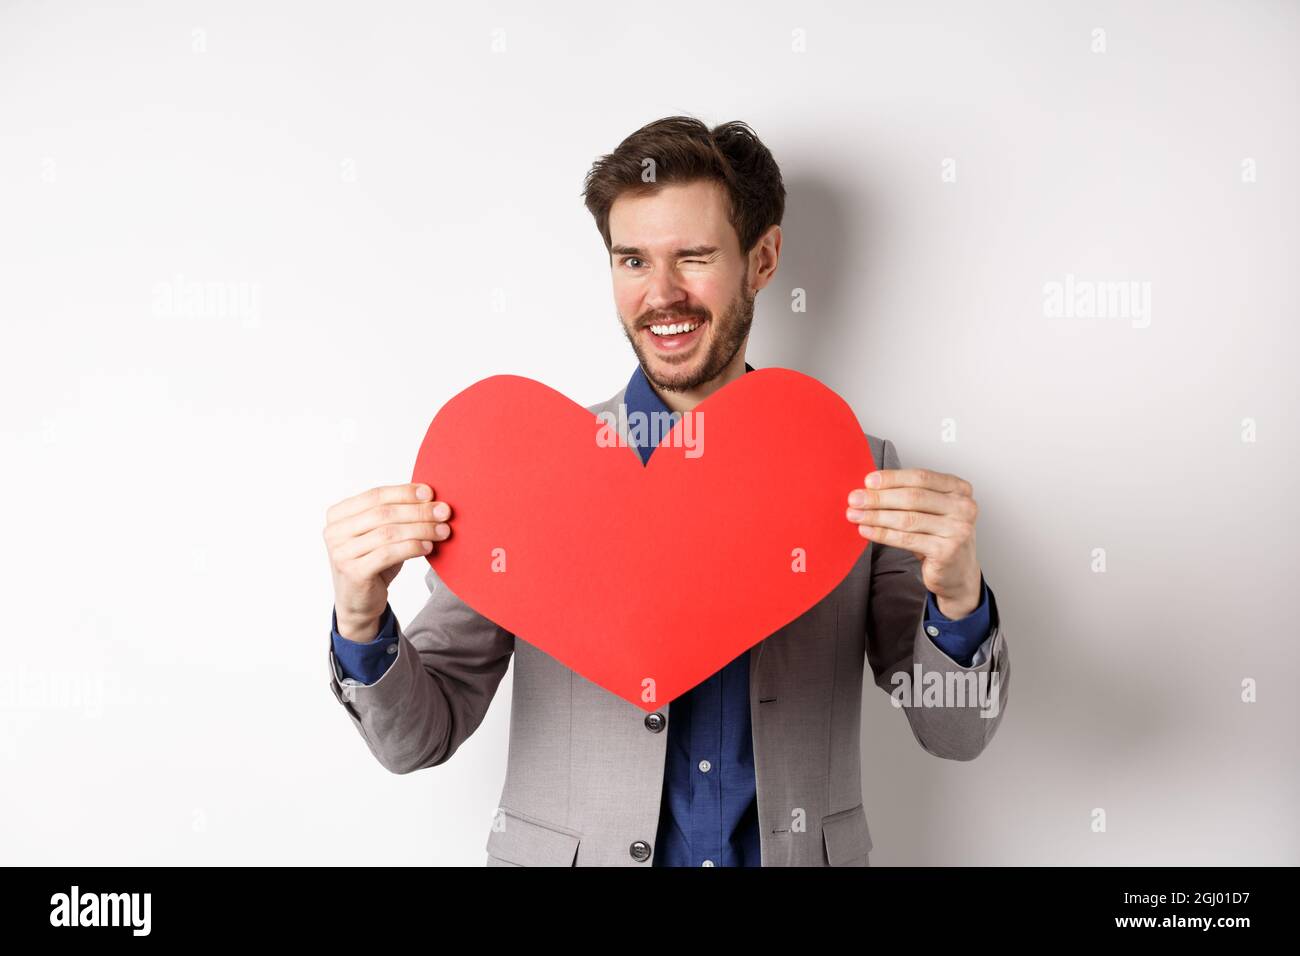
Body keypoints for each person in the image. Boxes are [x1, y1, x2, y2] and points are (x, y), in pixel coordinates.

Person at [321, 116, 1010, 866]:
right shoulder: (529, 476)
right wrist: (361, 622)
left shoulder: (859, 471)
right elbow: (419, 736)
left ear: (763, 258)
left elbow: (955, 731)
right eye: (632, 261)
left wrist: (958, 599)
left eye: (694, 256)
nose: (662, 294)